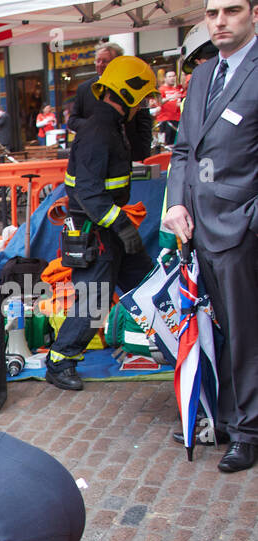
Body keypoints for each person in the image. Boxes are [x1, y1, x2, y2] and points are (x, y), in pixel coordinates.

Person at [164, 0, 258, 473]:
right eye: (212, 12)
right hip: (198, 230)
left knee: (246, 335)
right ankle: (223, 416)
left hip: (242, 229)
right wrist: (177, 202)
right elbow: (184, 150)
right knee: (214, 332)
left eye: (232, 10)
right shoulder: (202, 76)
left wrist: (251, 217)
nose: (219, 21)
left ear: (254, 14)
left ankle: (249, 432)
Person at [46, 56, 157, 393]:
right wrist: (121, 224)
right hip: (98, 230)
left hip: (110, 228)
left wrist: (143, 117)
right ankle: (60, 360)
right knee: (94, 299)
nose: (145, 105)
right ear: (132, 95)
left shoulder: (113, 127)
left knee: (147, 285)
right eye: (144, 100)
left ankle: (171, 340)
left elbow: (141, 150)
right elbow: (89, 194)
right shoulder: (98, 132)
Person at [66, 42, 154, 159]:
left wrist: (143, 153)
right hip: (94, 154)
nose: (100, 65)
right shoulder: (84, 89)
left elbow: (143, 123)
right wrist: (93, 125)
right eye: (98, 61)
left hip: (127, 153)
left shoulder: (132, 85)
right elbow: (73, 120)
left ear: (117, 63)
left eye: (105, 61)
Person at [156, 69, 186, 144]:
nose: (172, 78)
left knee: (175, 143)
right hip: (164, 120)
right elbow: (158, 103)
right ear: (165, 78)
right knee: (163, 143)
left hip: (177, 120)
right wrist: (170, 97)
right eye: (169, 76)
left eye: (173, 76)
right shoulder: (161, 90)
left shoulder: (178, 89)